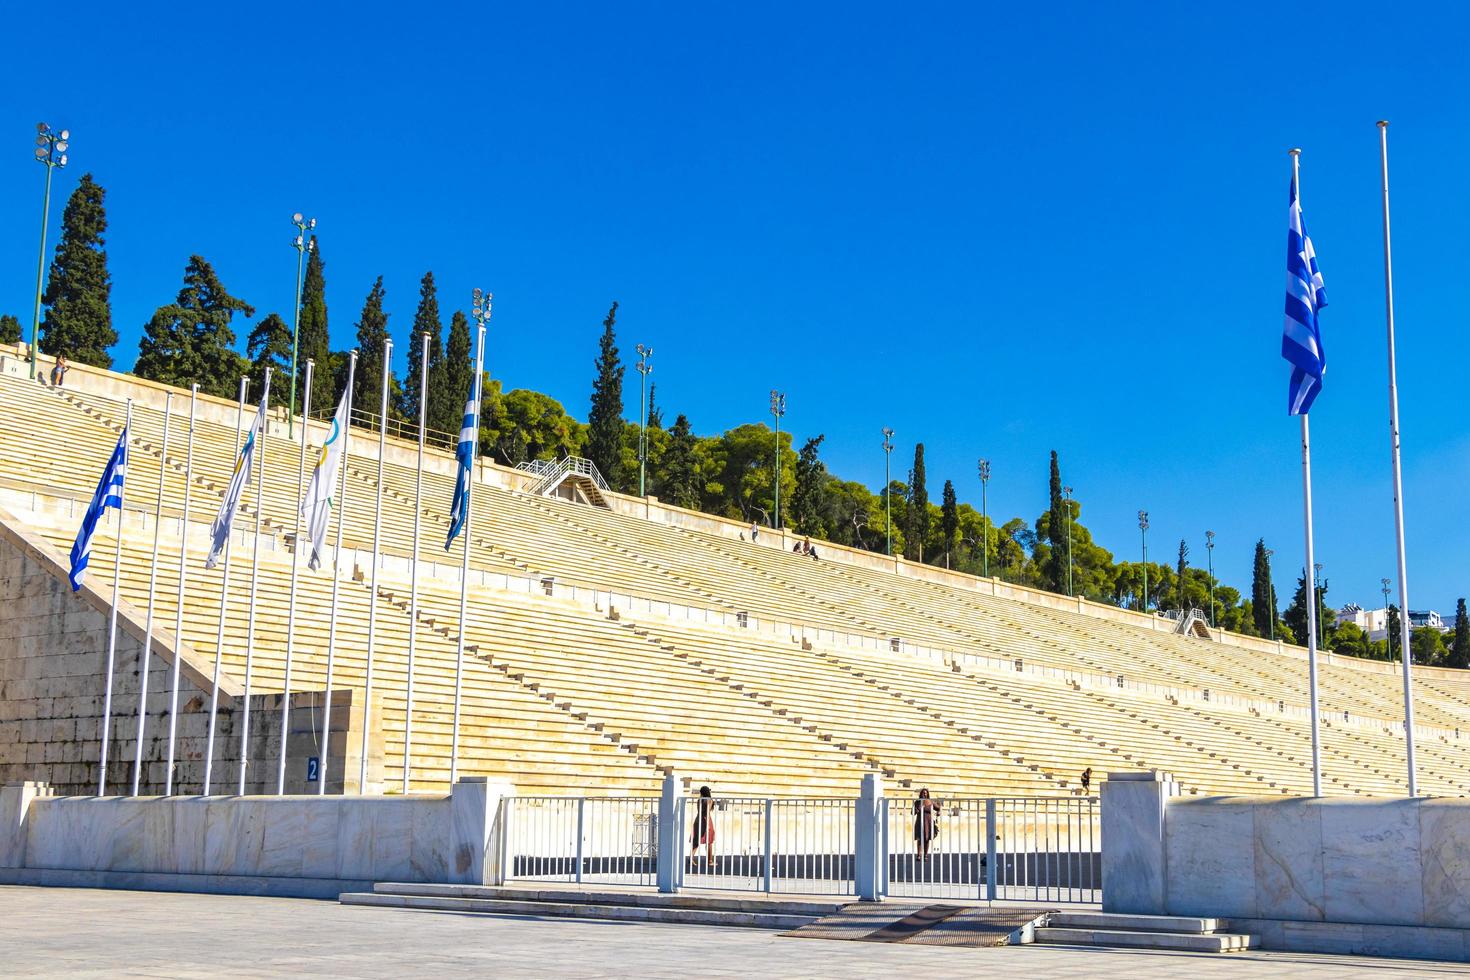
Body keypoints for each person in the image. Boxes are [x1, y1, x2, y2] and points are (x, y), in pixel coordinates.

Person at [690, 785, 716, 870]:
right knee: (709, 841)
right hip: (705, 820)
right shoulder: (709, 800)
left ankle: (691, 857)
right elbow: (707, 812)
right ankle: (710, 861)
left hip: (698, 820)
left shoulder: (699, 800)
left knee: (696, 841)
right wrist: (708, 825)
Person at [912, 787, 939, 859]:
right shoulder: (917, 802)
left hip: (928, 822)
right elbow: (912, 812)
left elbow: (939, 808)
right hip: (919, 822)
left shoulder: (931, 801)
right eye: (923, 793)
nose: (924, 794)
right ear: (921, 794)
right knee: (919, 839)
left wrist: (938, 812)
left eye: (926, 793)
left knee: (927, 838)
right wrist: (915, 810)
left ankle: (926, 854)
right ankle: (918, 854)